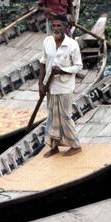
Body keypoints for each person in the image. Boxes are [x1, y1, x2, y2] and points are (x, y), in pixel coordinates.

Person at [37, 21, 84, 157]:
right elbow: (43, 62)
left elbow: (78, 66)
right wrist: (41, 84)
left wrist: (62, 71)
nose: (56, 28)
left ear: (66, 27)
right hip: (49, 85)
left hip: (64, 86)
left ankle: (75, 145)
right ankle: (54, 146)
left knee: (65, 116)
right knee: (52, 116)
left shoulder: (72, 44)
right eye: (54, 26)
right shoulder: (48, 41)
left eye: (59, 26)